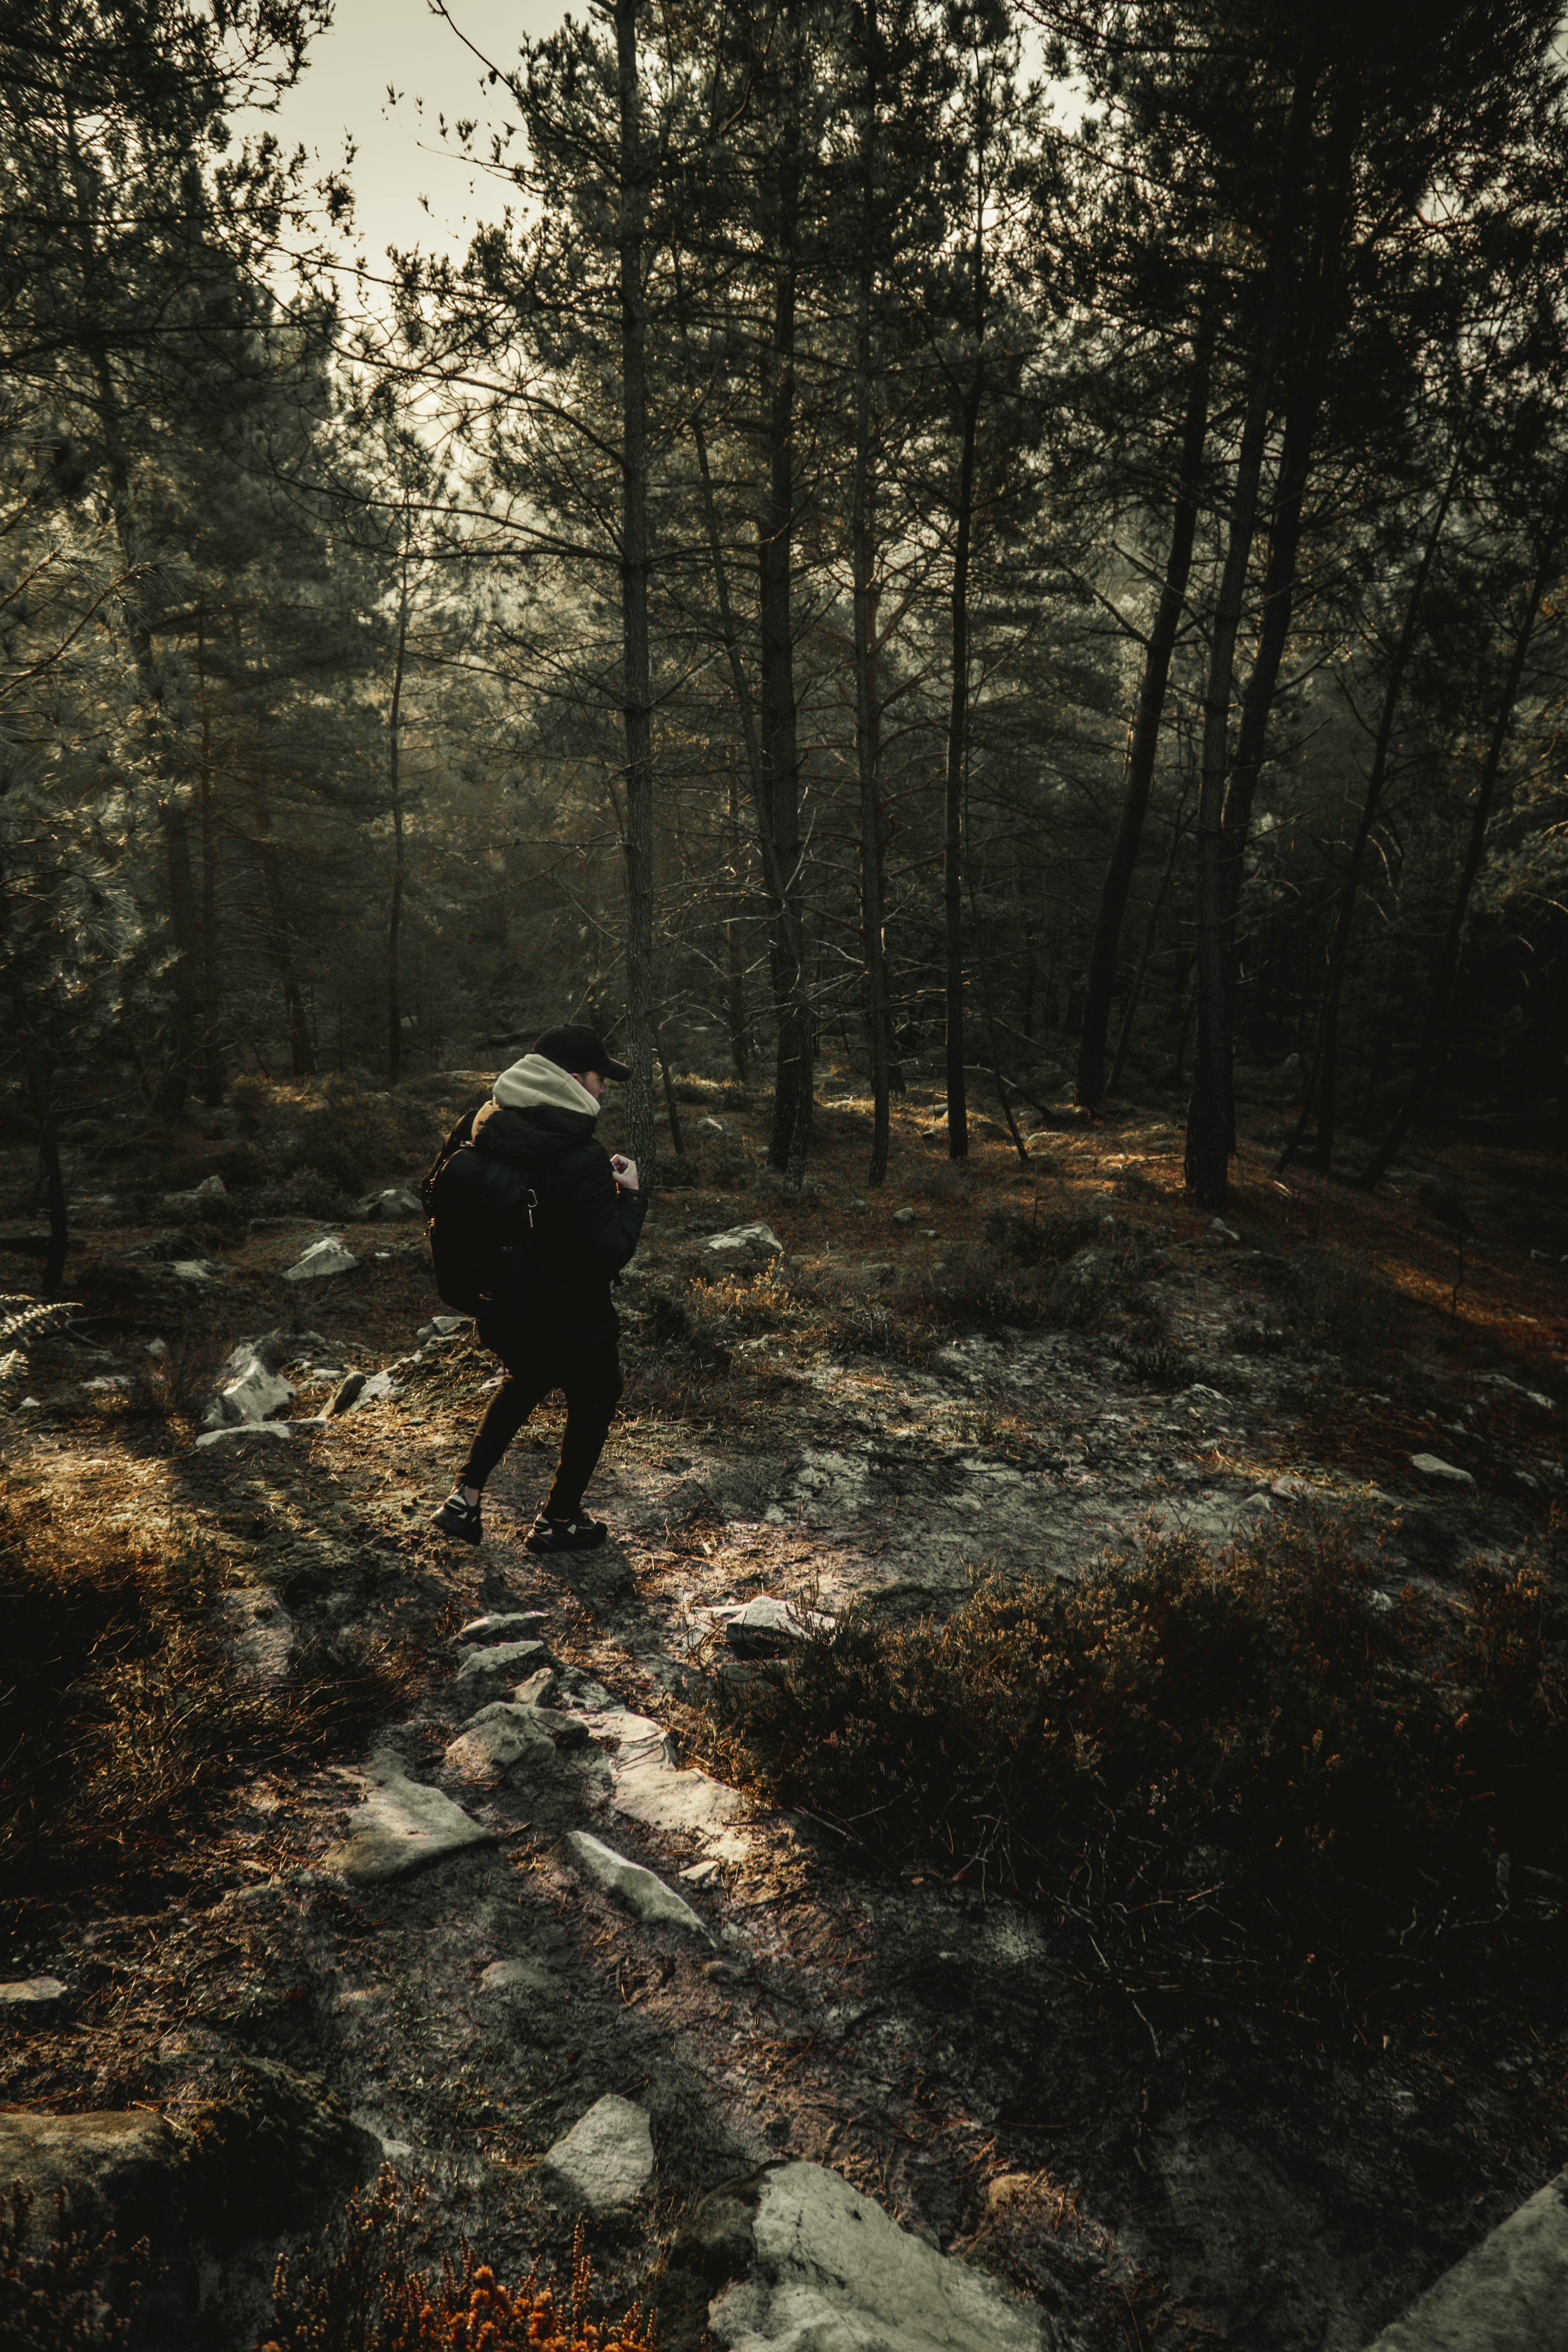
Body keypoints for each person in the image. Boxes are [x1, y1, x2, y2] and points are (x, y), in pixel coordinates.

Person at [430, 1025, 646, 1552]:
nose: (604, 1090)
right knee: (597, 1396)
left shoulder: (480, 1122)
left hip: (502, 1305)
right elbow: (611, 1251)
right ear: (574, 1079)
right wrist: (632, 1195)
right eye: (600, 1080)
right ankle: (559, 1521)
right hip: (574, 1317)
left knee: (526, 1378)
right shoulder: (581, 1156)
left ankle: (465, 1500)